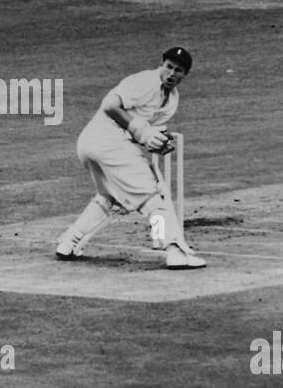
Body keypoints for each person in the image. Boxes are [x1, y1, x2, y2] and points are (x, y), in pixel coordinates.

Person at [55, 47, 204, 269]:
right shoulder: (145, 82)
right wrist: (141, 132)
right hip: (106, 140)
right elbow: (110, 106)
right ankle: (173, 249)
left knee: (110, 197)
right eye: (169, 67)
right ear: (161, 64)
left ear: (185, 74)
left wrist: (158, 142)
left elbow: (146, 131)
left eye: (178, 70)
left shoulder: (171, 99)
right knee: (154, 198)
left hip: (94, 145)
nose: (172, 73)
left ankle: (69, 242)